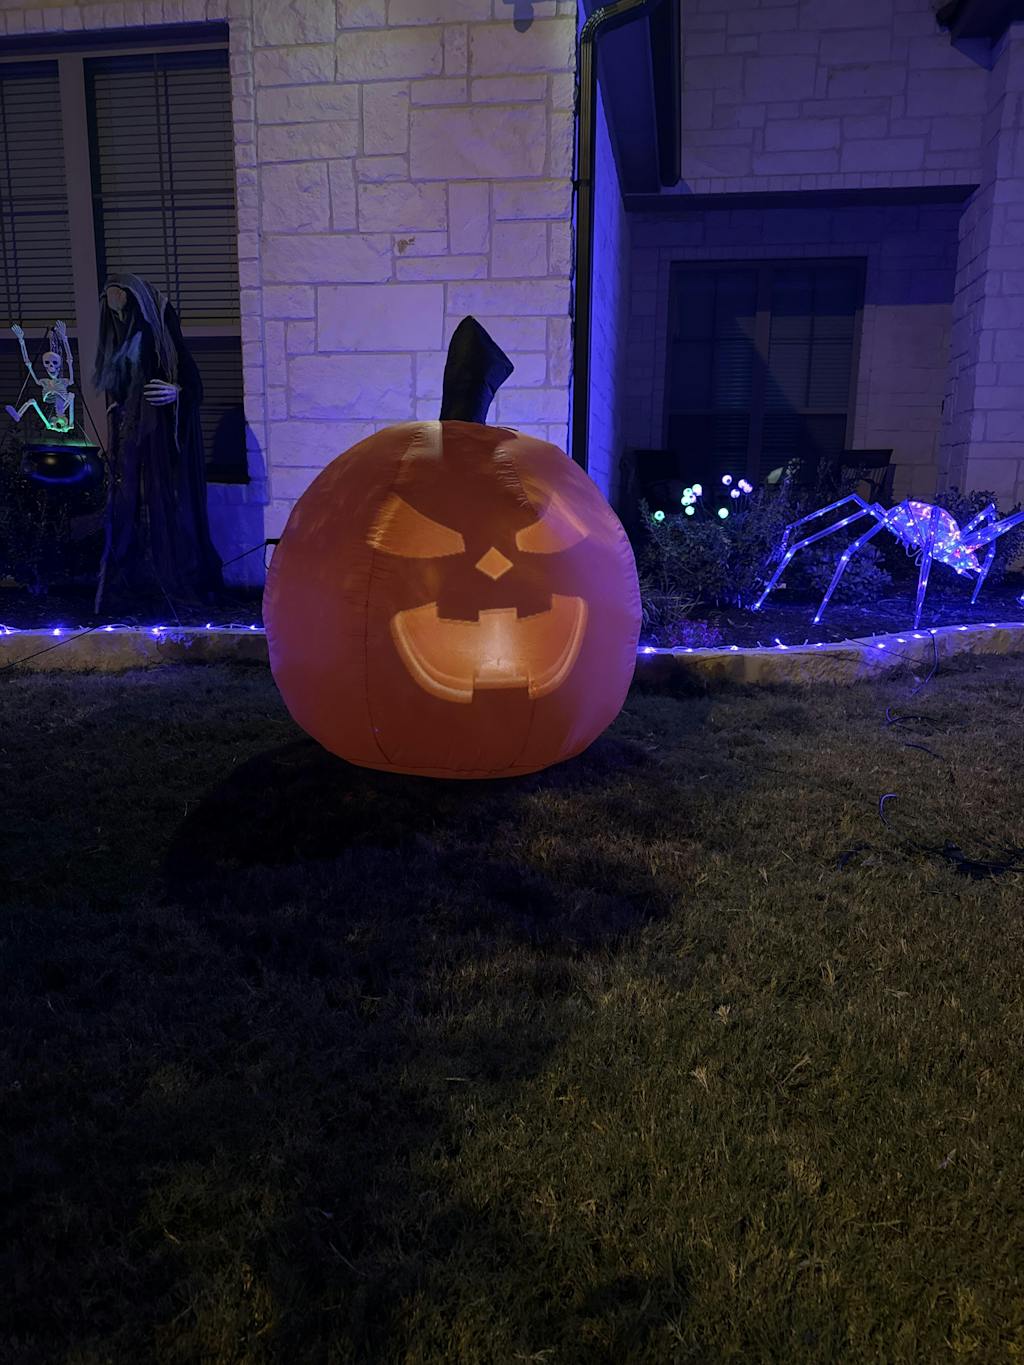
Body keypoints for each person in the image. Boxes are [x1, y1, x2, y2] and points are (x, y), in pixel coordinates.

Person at [93, 273, 222, 611]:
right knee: (128, 501)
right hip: (132, 434)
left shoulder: (159, 331)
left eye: (119, 295)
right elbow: (117, 381)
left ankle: (177, 578)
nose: (113, 301)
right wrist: (117, 408)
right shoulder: (118, 337)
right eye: (109, 296)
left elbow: (191, 379)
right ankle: (132, 581)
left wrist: (177, 392)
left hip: (163, 433)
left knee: (168, 501)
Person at [5, 320, 75, 432]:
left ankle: (19, 415)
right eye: (47, 363)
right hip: (56, 405)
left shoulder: (64, 381)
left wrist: (64, 338)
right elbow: (28, 365)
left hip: (59, 407)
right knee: (67, 397)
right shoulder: (45, 382)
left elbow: (70, 361)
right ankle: (18, 415)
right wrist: (21, 340)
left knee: (68, 397)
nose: (50, 366)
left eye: (53, 363)